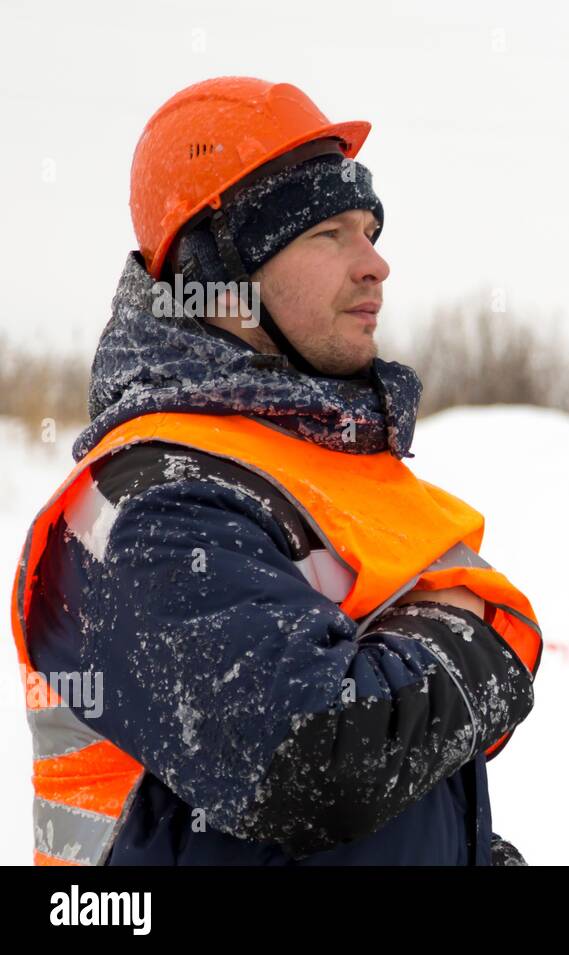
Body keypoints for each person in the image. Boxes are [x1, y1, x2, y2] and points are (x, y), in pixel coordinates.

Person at [11, 77, 541, 866]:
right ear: (216, 270)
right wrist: (472, 628)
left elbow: (387, 779)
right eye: (329, 233)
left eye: (370, 228)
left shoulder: (312, 476)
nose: (376, 264)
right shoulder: (141, 508)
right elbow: (310, 759)